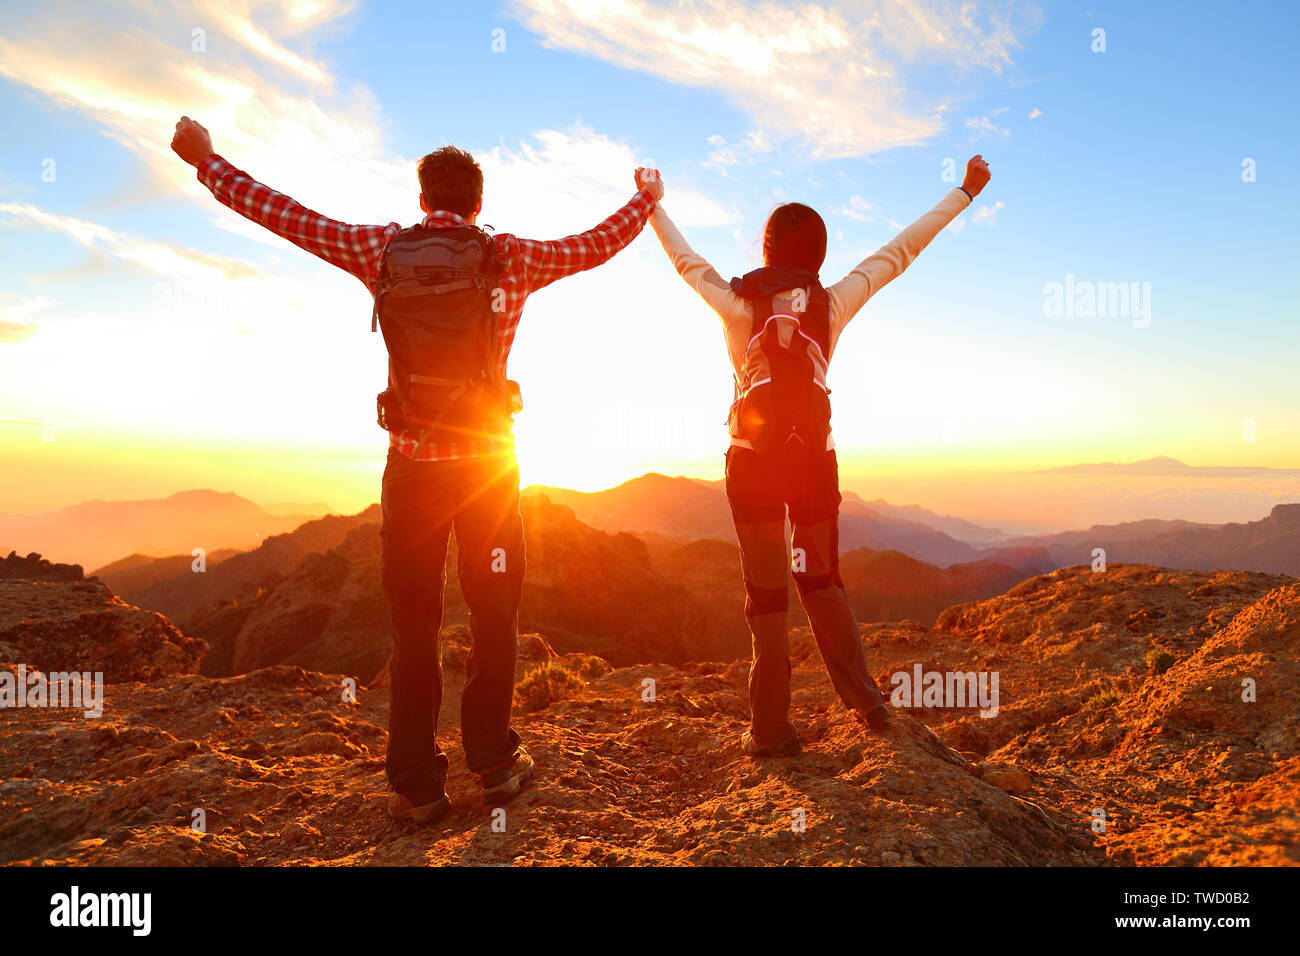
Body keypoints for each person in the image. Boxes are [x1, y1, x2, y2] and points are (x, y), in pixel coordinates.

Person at [171, 116, 663, 822]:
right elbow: (596, 245)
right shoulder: (510, 258)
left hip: (413, 470)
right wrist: (645, 197)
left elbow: (284, 214)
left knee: (414, 624)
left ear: (425, 194)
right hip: (489, 474)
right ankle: (493, 764)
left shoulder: (381, 249)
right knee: (495, 616)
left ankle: (415, 783)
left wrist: (207, 161)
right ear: (479, 204)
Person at [641, 156, 991, 756]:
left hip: (751, 463)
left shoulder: (736, 302)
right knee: (822, 581)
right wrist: (964, 192)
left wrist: (652, 202)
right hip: (812, 465)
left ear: (768, 248)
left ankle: (772, 729)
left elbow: (684, 261)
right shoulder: (835, 302)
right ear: (820, 257)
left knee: (768, 595)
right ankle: (868, 705)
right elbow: (900, 252)